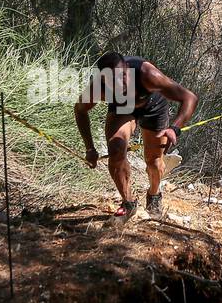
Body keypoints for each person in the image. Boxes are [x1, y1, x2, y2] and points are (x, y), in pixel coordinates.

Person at [74, 52, 198, 219]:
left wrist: (174, 128)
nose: (121, 82)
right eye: (113, 79)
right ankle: (128, 203)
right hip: (123, 108)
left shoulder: (147, 75)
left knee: (154, 161)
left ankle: (154, 195)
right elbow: (80, 110)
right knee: (116, 150)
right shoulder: (98, 87)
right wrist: (89, 147)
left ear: (127, 68)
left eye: (123, 75)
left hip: (154, 105)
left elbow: (189, 97)